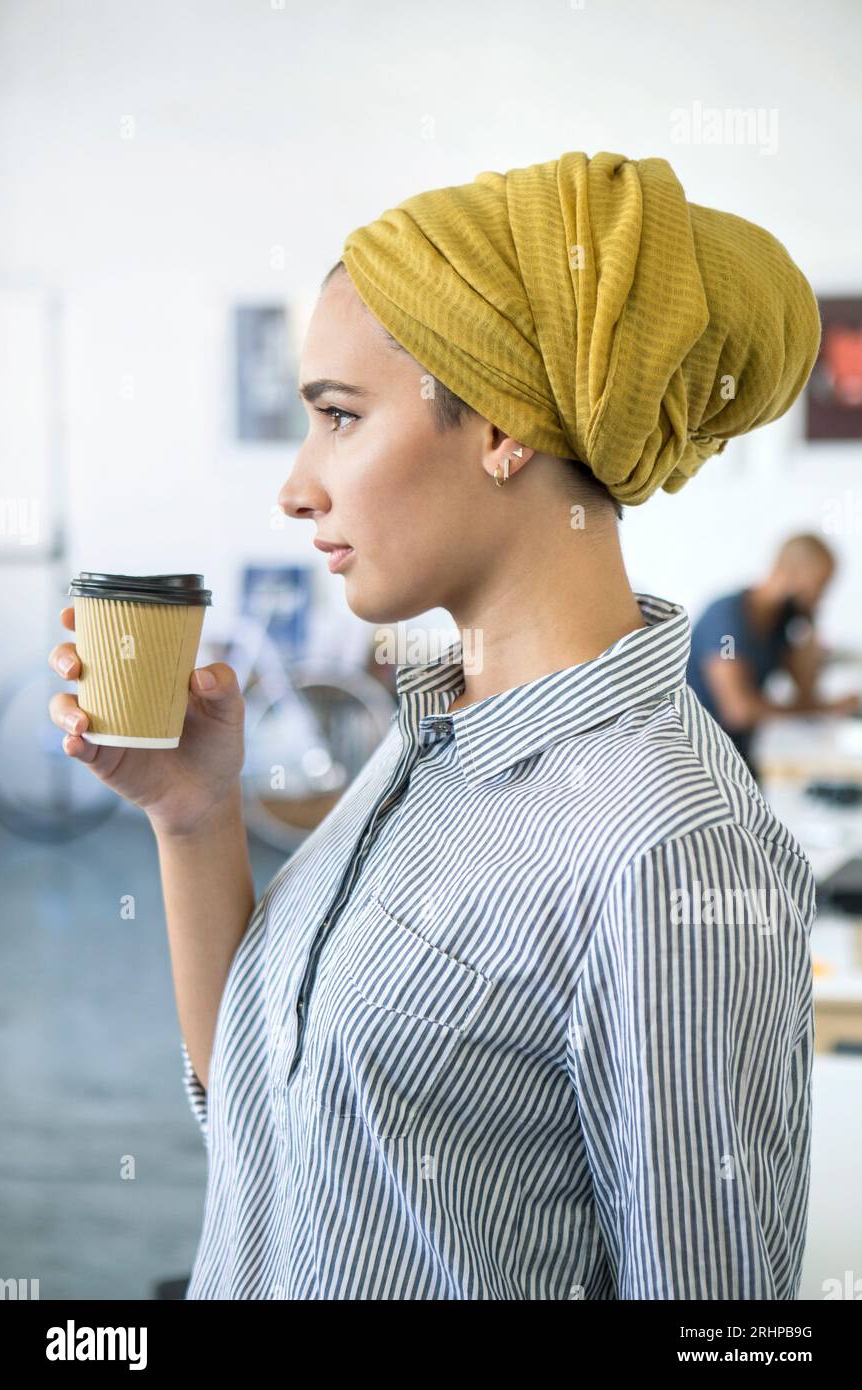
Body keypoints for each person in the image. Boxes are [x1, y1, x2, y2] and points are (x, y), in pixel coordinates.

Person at [48, 150, 823, 1299]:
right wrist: (192, 815)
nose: (296, 485)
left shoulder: (669, 847)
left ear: (504, 425)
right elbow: (276, 1127)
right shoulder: (431, 740)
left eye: (338, 418)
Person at [687, 534, 861, 783]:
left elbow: (806, 693)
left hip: (739, 759)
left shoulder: (780, 626)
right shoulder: (726, 623)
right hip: (700, 763)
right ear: (791, 573)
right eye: (819, 586)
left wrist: (810, 622)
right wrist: (826, 709)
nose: (820, 598)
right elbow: (738, 711)